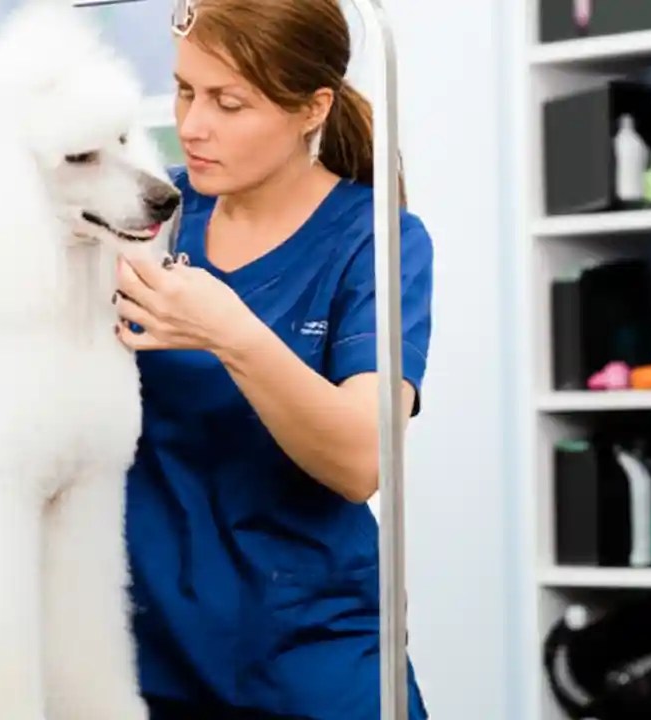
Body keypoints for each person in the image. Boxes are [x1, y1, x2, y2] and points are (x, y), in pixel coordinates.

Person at [112, 1, 434, 718]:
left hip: (311, 660)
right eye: (185, 91)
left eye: (229, 103)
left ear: (311, 108)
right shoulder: (150, 212)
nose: (193, 125)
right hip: (149, 659)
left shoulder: (375, 239)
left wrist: (233, 333)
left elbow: (361, 459)